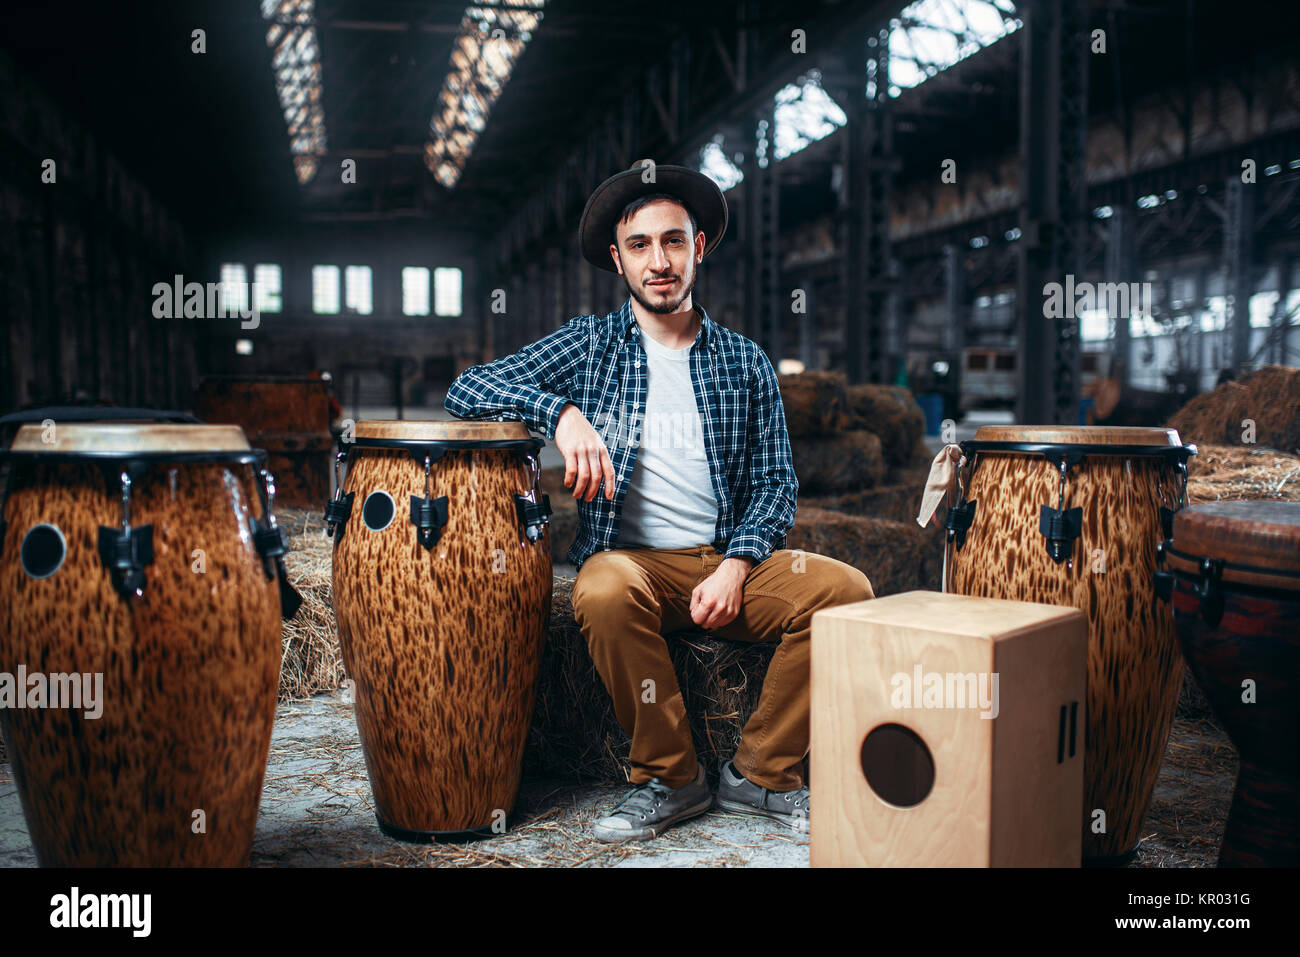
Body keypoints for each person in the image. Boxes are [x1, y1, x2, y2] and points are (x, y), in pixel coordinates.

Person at [445, 160, 874, 842]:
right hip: (634, 564)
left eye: (673, 241)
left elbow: (775, 483)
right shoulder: (590, 346)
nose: (660, 261)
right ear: (618, 260)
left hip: (729, 558)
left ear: (698, 248)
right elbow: (466, 390)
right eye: (640, 246)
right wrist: (558, 413)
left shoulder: (744, 360)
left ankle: (761, 771)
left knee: (847, 590)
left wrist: (737, 565)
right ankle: (671, 774)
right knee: (601, 588)